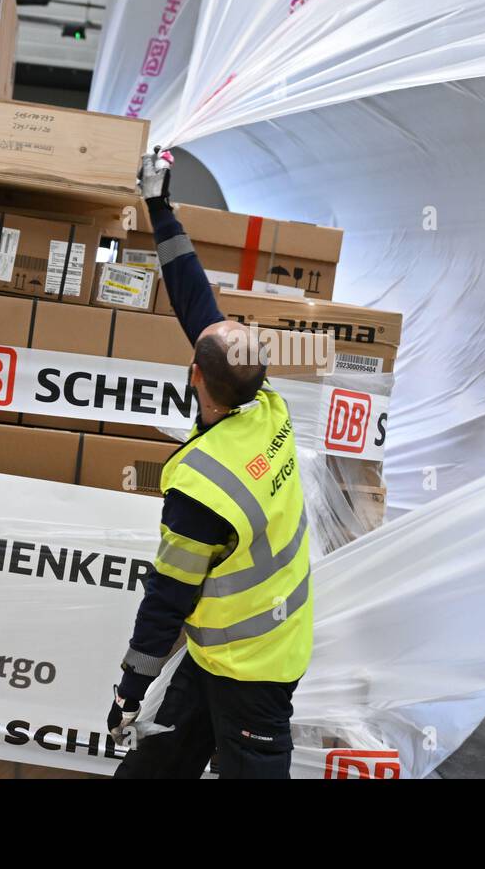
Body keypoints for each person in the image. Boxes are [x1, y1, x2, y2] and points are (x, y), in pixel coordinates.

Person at [105, 149, 312, 779]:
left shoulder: (201, 488)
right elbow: (196, 300)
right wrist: (159, 207)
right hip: (223, 649)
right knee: (161, 760)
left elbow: (168, 597)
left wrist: (128, 691)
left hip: (257, 668)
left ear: (196, 375)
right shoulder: (265, 404)